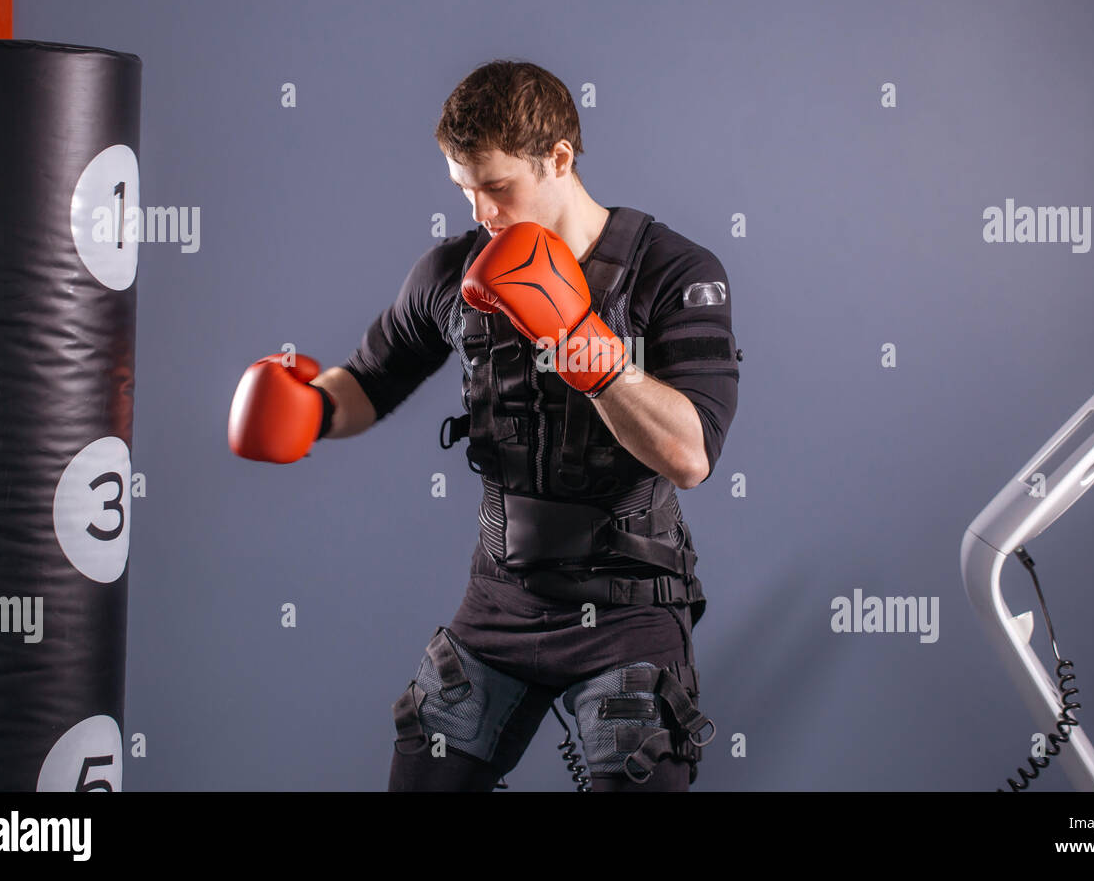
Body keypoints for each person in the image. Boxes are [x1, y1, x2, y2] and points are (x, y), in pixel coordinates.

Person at [228, 59, 740, 791]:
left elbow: (691, 454)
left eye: (498, 187)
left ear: (558, 158)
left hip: (629, 610)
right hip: (501, 602)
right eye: (465, 189)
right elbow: (370, 378)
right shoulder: (454, 273)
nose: (482, 212)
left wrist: (580, 340)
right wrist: (309, 408)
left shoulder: (672, 271)